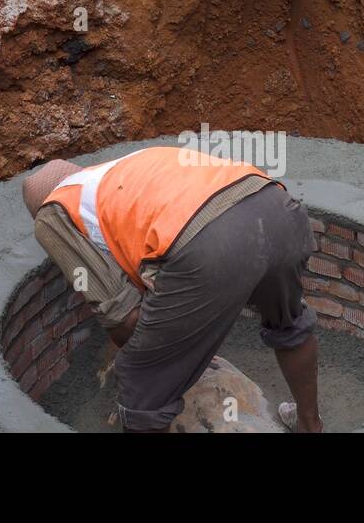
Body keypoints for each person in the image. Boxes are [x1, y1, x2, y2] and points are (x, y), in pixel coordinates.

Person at [21, 146, 322, 432]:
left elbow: (121, 316)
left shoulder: (53, 213)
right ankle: (309, 425)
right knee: (289, 322)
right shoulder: (123, 170)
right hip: (278, 210)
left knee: (141, 381)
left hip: (212, 247)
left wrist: (165, 353)